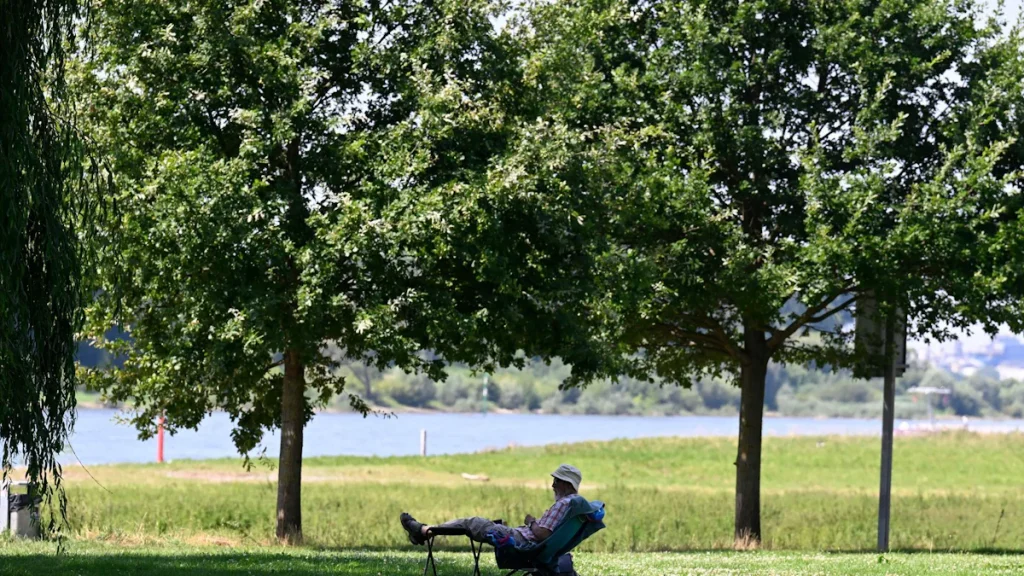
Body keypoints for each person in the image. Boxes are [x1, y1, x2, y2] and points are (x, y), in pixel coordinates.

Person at [401, 464, 583, 545]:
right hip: (521, 538)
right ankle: (424, 532)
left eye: (556, 482)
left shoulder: (563, 504)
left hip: (521, 542)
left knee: (471, 523)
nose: (552, 486)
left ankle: (424, 531)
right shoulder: (573, 504)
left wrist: (531, 522)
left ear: (567, 484)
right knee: (490, 523)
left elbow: (542, 534)